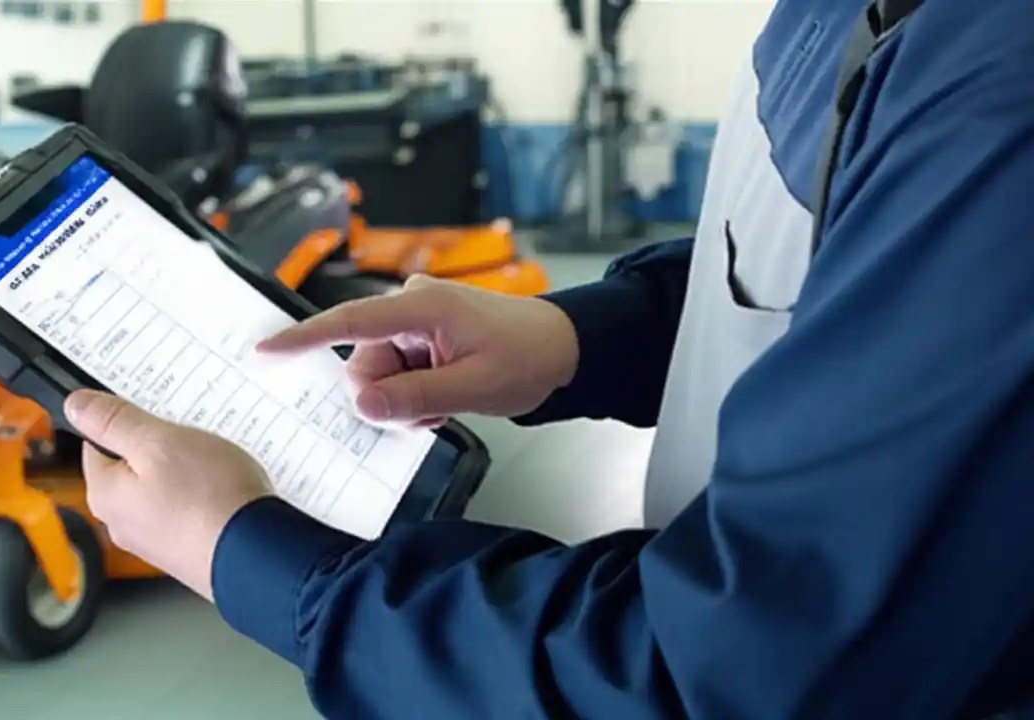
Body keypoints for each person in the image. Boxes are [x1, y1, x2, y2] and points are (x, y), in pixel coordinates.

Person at [65, 0, 1034, 717]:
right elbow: (846, 269)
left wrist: (259, 561)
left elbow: (735, 675)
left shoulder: (1000, 83)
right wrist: (574, 339)